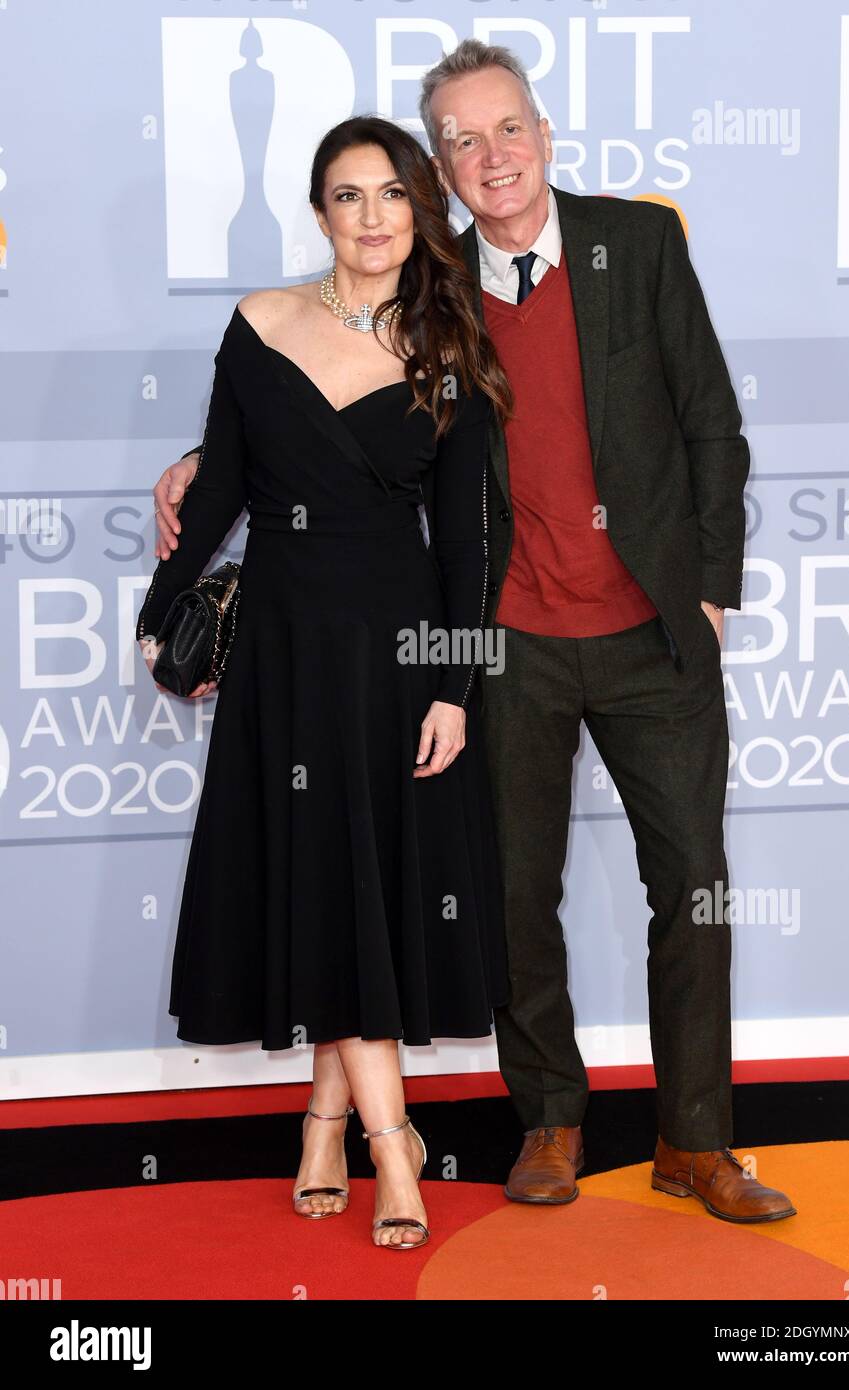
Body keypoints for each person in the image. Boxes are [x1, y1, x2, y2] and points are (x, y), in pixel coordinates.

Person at [155, 41, 795, 1224]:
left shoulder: (634, 244)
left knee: (692, 887)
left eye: (506, 130)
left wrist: (707, 583)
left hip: (652, 631)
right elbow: (313, 398)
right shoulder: (432, 283)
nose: (488, 156)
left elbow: (712, 423)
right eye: (458, 139)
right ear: (438, 167)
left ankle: (694, 1140)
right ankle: (547, 1117)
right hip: (500, 641)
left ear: (543, 137)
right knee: (510, 894)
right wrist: (202, 463)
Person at [136, 114, 514, 1250]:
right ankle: (376, 1141)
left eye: (391, 194)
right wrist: (159, 617)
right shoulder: (259, 325)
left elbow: (472, 538)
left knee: (362, 888)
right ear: (317, 214)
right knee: (323, 880)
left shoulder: (455, 341)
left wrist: (458, 687)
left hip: (400, 654)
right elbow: (218, 491)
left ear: (420, 209)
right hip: (289, 650)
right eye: (347, 197)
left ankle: (337, 1128)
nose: (371, 217)